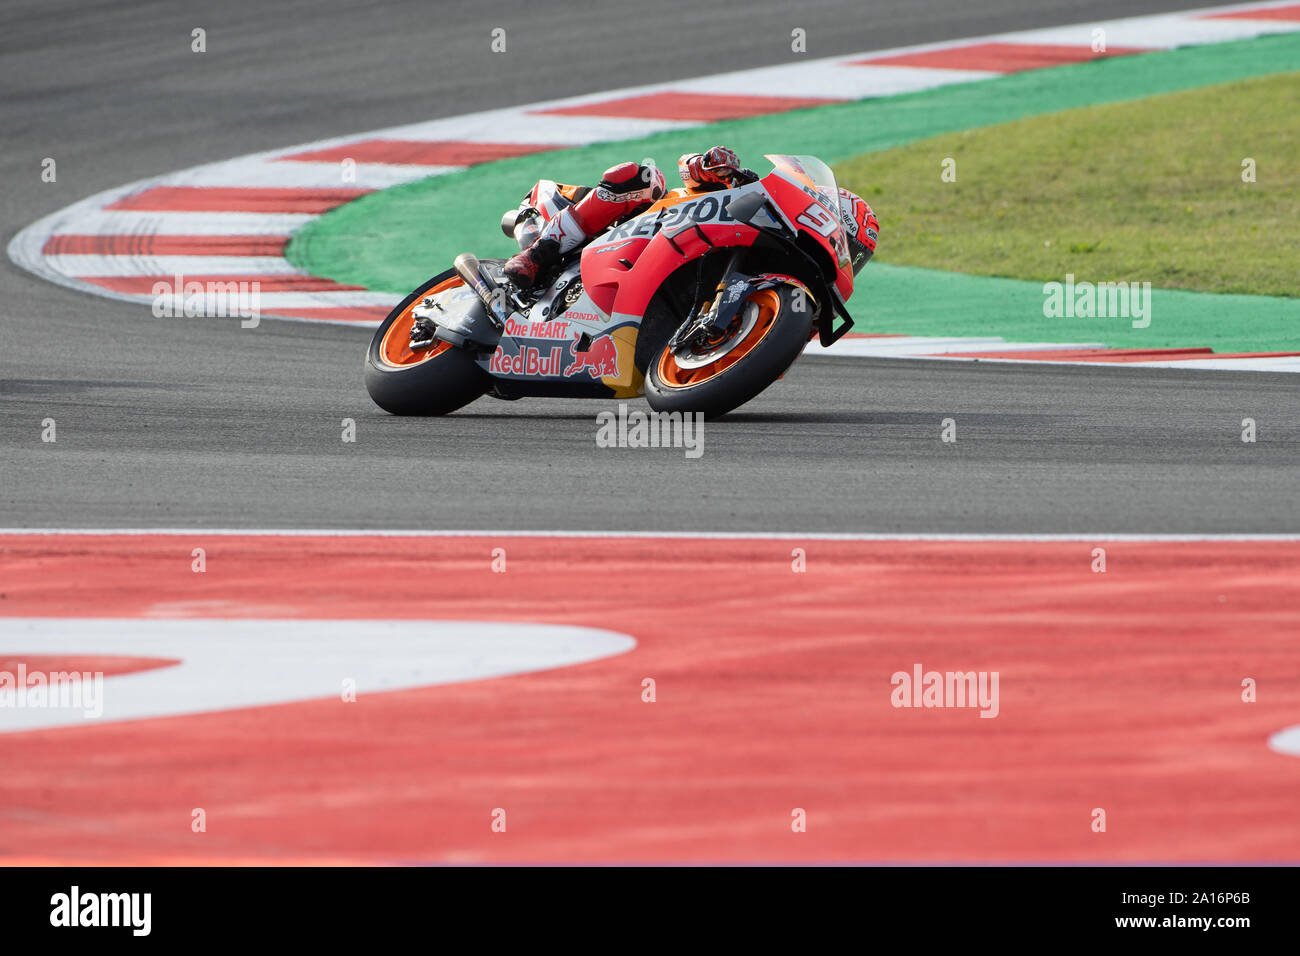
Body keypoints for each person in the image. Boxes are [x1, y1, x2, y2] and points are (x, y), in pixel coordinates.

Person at [502, 146, 878, 288]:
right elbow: (687, 167)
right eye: (847, 241)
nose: (847, 255)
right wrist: (708, 165)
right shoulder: (752, 195)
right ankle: (537, 255)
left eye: (855, 256)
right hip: (640, 225)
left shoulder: (797, 297)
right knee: (641, 177)